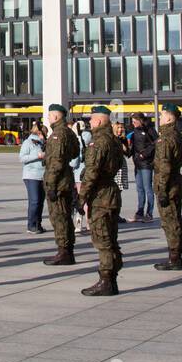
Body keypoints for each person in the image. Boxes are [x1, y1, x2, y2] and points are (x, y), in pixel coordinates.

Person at [78, 106, 123, 295]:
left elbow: (91, 172)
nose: (89, 123)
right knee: (111, 239)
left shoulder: (98, 142)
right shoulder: (114, 140)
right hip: (111, 192)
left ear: (98, 121)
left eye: (91, 119)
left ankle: (106, 280)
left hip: (101, 195)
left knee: (102, 239)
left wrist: (81, 197)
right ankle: (111, 279)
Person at [151, 103, 182, 271]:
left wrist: (161, 189)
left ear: (168, 118)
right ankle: (176, 253)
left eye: (161, 116)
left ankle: (175, 258)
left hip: (167, 184)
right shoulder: (178, 136)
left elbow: (164, 166)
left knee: (170, 221)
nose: (159, 119)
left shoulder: (165, 138)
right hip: (176, 181)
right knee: (176, 218)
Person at [42, 105, 81, 265]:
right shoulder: (69, 132)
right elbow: (75, 153)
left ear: (56, 117)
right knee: (64, 216)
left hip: (58, 182)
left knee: (59, 217)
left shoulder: (58, 135)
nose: (49, 118)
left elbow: (56, 163)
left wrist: (51, 185)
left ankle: (64, 252)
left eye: (50, 115)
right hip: (66, 179)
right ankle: (67, 251)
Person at [19, 121, 47, 234]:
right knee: (34, 201)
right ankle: (31, 225)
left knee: (40, 201)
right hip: (31, 175)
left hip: (42, 176)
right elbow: (22, 158)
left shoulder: (43, 143)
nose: (45, 135)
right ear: (38, 132)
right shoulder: (28, 142)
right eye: (44, 133)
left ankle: (38, 224)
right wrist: (37, 156)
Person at [129, 113, 157, 223]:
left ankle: (149, 213)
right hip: (137, 163)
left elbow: (155, 143)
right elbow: (134, 146)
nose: (133, 123)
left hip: (146, 163)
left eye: (134, 121)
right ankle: (139, 212)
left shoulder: (149, 129)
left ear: (140, 120)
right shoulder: (134, 131)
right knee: (139, 189)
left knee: (147, 188)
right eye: (132, 121)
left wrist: (145, 153)